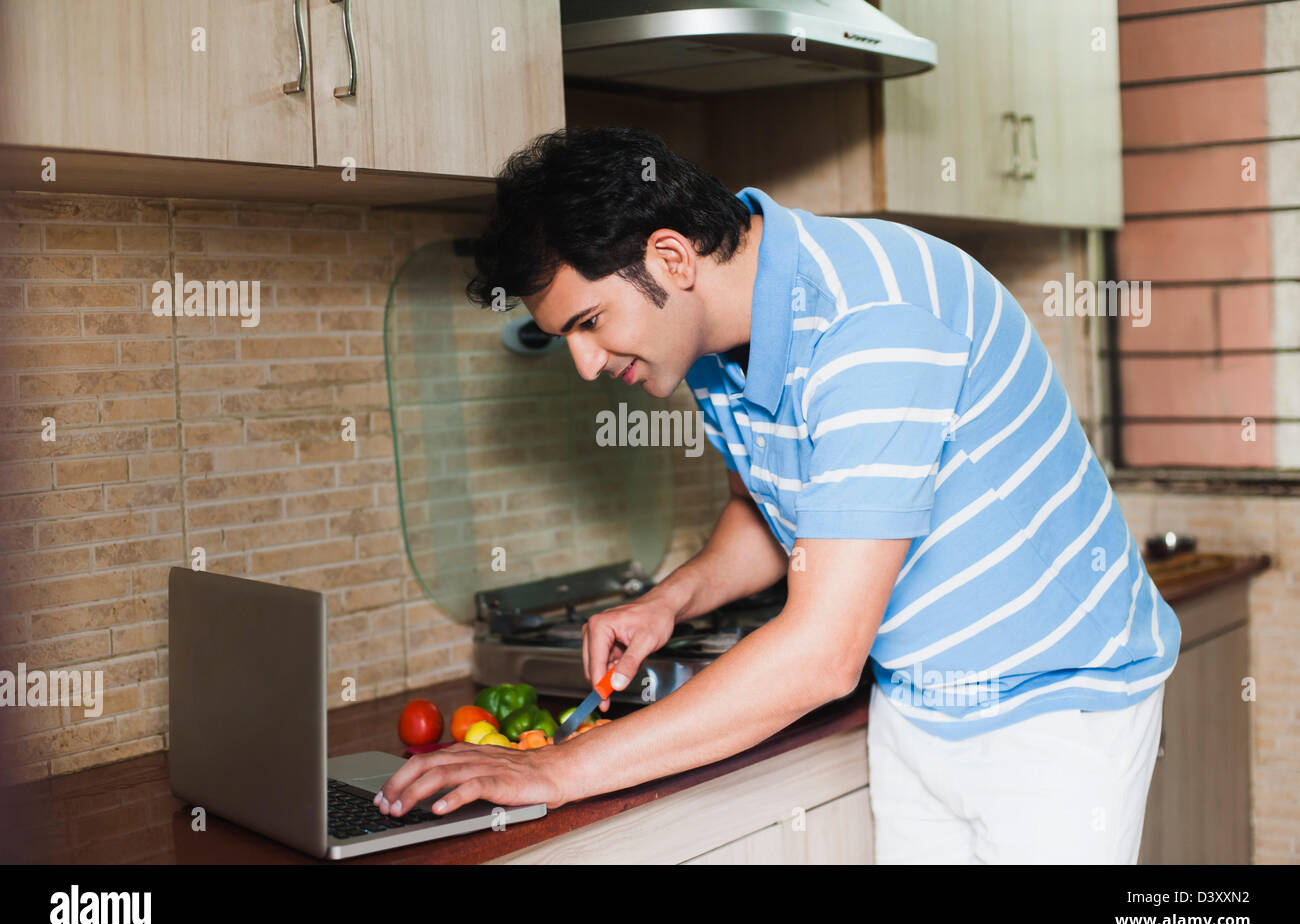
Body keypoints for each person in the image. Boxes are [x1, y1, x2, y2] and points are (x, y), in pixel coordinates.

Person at [372, 127, 1179, 864]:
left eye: (589, 321)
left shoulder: (873, 324)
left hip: (1056, 714)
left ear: (672, 259)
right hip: (917, 702)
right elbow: (771, 510)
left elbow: (822, 654)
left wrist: (553, 768)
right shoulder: (714, 345)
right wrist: (670, 602)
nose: (585, 364)